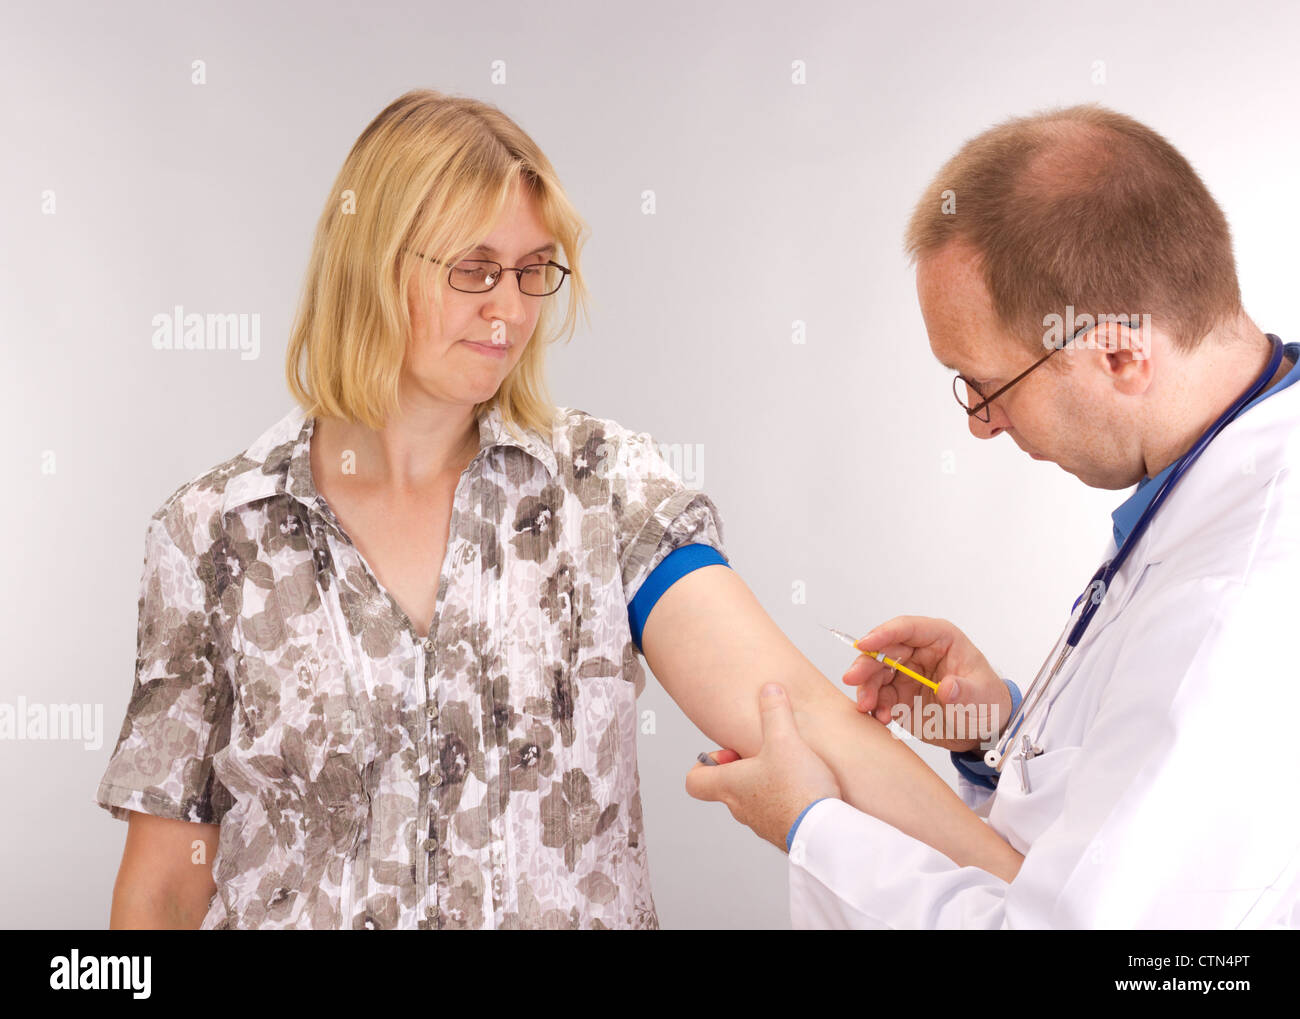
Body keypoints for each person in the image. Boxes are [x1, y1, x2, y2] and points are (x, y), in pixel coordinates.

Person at [96, 89, 994, 930]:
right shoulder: (214, 532)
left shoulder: (605, 490)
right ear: (369, 265)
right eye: (475, 270)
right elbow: (169, 873)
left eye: (534, 271)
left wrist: (1036, 899)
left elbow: (797, 709)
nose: (510, 309)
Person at [686, 103, 1300, 928]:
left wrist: (813, 828)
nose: (979, 423)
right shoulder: (1222, 474)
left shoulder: (1239, 599)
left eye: (988, 385)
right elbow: (1112, 831)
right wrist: (999, 729)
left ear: (1119, 353)